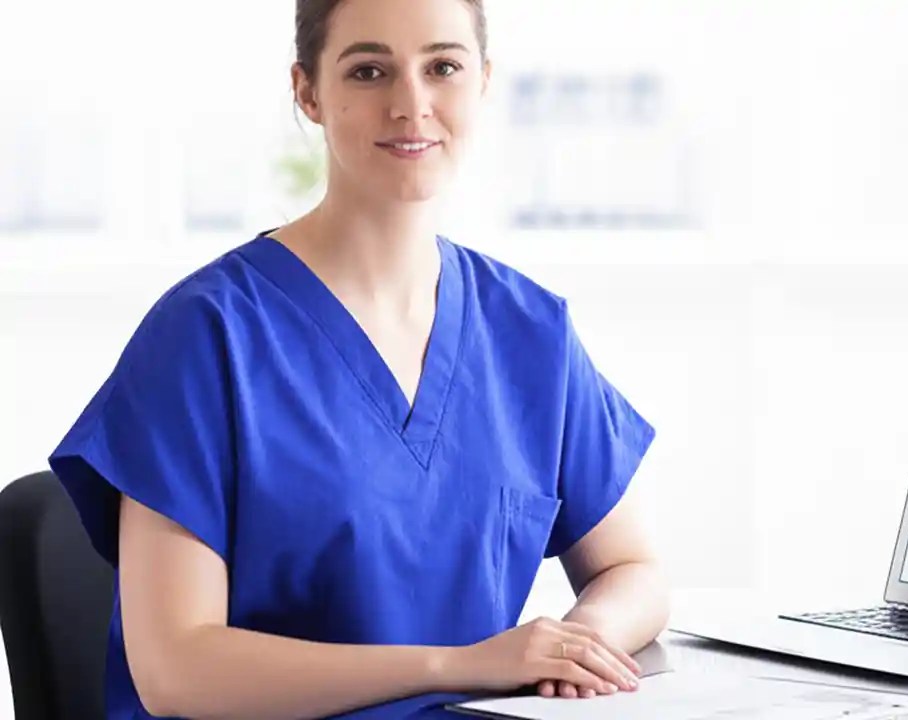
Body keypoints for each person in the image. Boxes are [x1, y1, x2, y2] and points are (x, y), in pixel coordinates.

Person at [47, 0, 668, 717]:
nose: (412, 104)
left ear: (484, 82)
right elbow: (176, 666)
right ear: (308, 92)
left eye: (443, 68)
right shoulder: (206, 337)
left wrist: (581, 641)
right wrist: (459, 667)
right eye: (369, 71)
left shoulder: (530, 331)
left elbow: (633, 568)